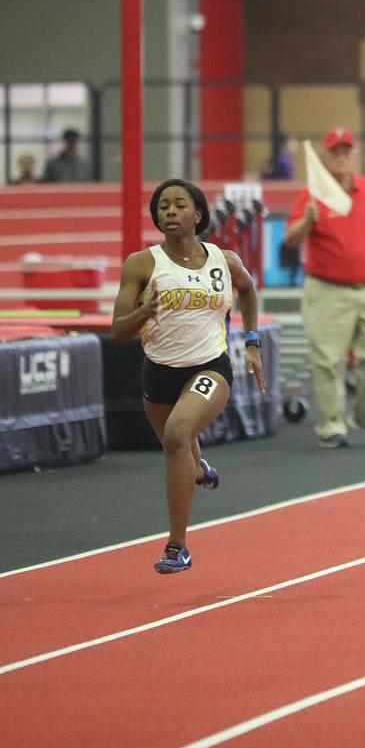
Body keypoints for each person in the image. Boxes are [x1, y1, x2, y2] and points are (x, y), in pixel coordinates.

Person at [109, 179, 266, 574]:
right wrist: (145, 312)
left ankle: (177, 545)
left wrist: (251, 342)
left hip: (210, 365)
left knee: (178, 434)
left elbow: (247, 291)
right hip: (158, 372)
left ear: (197, 215)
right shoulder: (141, 264)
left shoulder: (224, 260)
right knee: (177, 448)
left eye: (179, 205)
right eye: (163, 206)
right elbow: (117, 332)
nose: (170, 212)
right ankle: (198, 469)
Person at [283, 127, 365, 450]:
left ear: (354, 155)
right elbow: (291, 240)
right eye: (336, 152)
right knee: (328, 359)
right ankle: (331, 424)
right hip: (327, 290)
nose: (342, 157)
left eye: (347, 151)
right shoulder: (313, 194)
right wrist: (308, 221)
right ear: (327, 157)